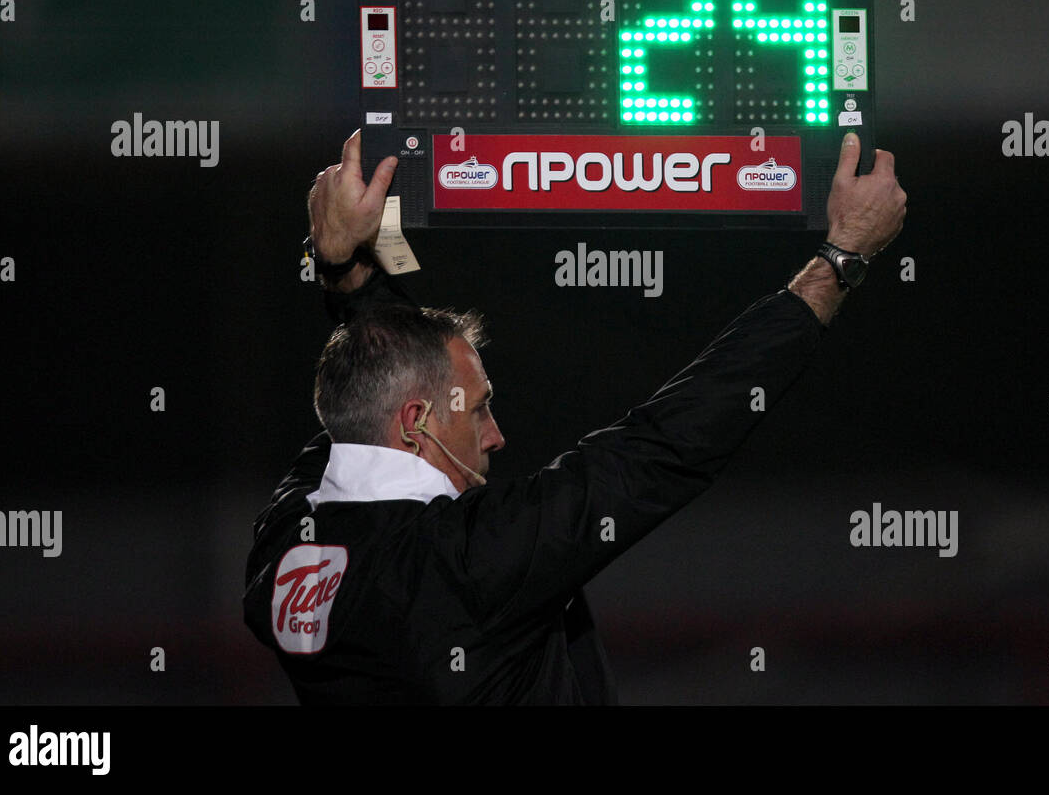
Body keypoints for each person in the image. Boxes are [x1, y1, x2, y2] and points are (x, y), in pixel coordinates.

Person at [243, 129, 907, 704]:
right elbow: (664, 446)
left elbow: (369, 383)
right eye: (478, 410)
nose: (496, 435)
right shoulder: (468, 561)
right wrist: (839, 259)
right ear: (414, 423)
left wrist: (343, 271)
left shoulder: (281, 546)